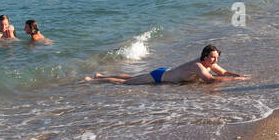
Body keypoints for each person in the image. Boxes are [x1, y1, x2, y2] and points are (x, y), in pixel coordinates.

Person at [87, 45, 250, 85]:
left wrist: (238, 75)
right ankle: (94, 81)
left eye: (216, 58)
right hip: (159, 77)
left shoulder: (209, 65)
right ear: (205, 57)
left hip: (165, 72)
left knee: (133, 77)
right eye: (212, 58)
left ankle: (101, 75)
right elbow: (210, 80)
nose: (215, 61)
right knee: (126, 83)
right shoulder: (199, 66)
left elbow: (223, 72)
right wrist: (236, 81)